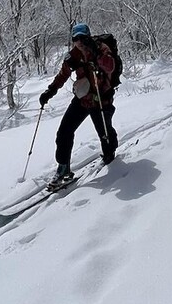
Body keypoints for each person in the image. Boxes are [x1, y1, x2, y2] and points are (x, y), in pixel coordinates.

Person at [38, 22, 118, 189]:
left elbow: (110, 66)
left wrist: (96, 54)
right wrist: (50, 90)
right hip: (83, 98)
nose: (79, 42)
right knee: (64, 131)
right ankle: (63, 167)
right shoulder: (73, 54)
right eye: (75, 39)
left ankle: (110, 156)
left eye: (82, 38)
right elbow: (63, 74)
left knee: (105, 133)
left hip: (101, 99)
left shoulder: (101, 48)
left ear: (88, 37)